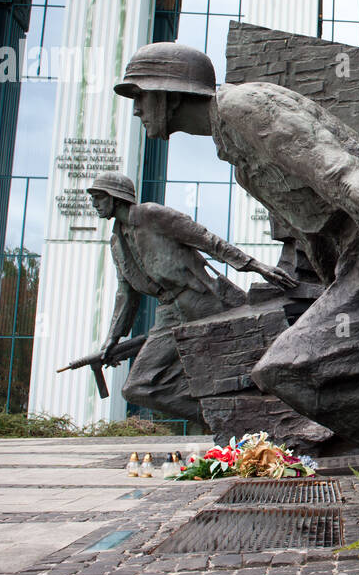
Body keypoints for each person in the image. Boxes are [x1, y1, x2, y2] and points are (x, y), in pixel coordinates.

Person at [114, 42, 359, 461]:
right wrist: (332, 291)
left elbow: (341, 172)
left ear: (168, 93)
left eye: (140, 95)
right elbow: (313, 232)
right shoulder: (232, 141)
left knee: (286, 368)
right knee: (295, 369)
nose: (136, 109)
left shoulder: (243, 107)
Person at [87, 170, 294, 426]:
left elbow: (207, 240)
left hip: (204, 302)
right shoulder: (116, 243)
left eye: (98, 197)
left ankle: (252, 416)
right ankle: (232, 419)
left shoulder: (152, 215)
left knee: (252, 366)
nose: (94, 203)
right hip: (168, 312)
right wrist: (112, 338)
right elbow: (125, 294)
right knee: (137, 387)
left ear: (116, 197)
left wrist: (254, 265)